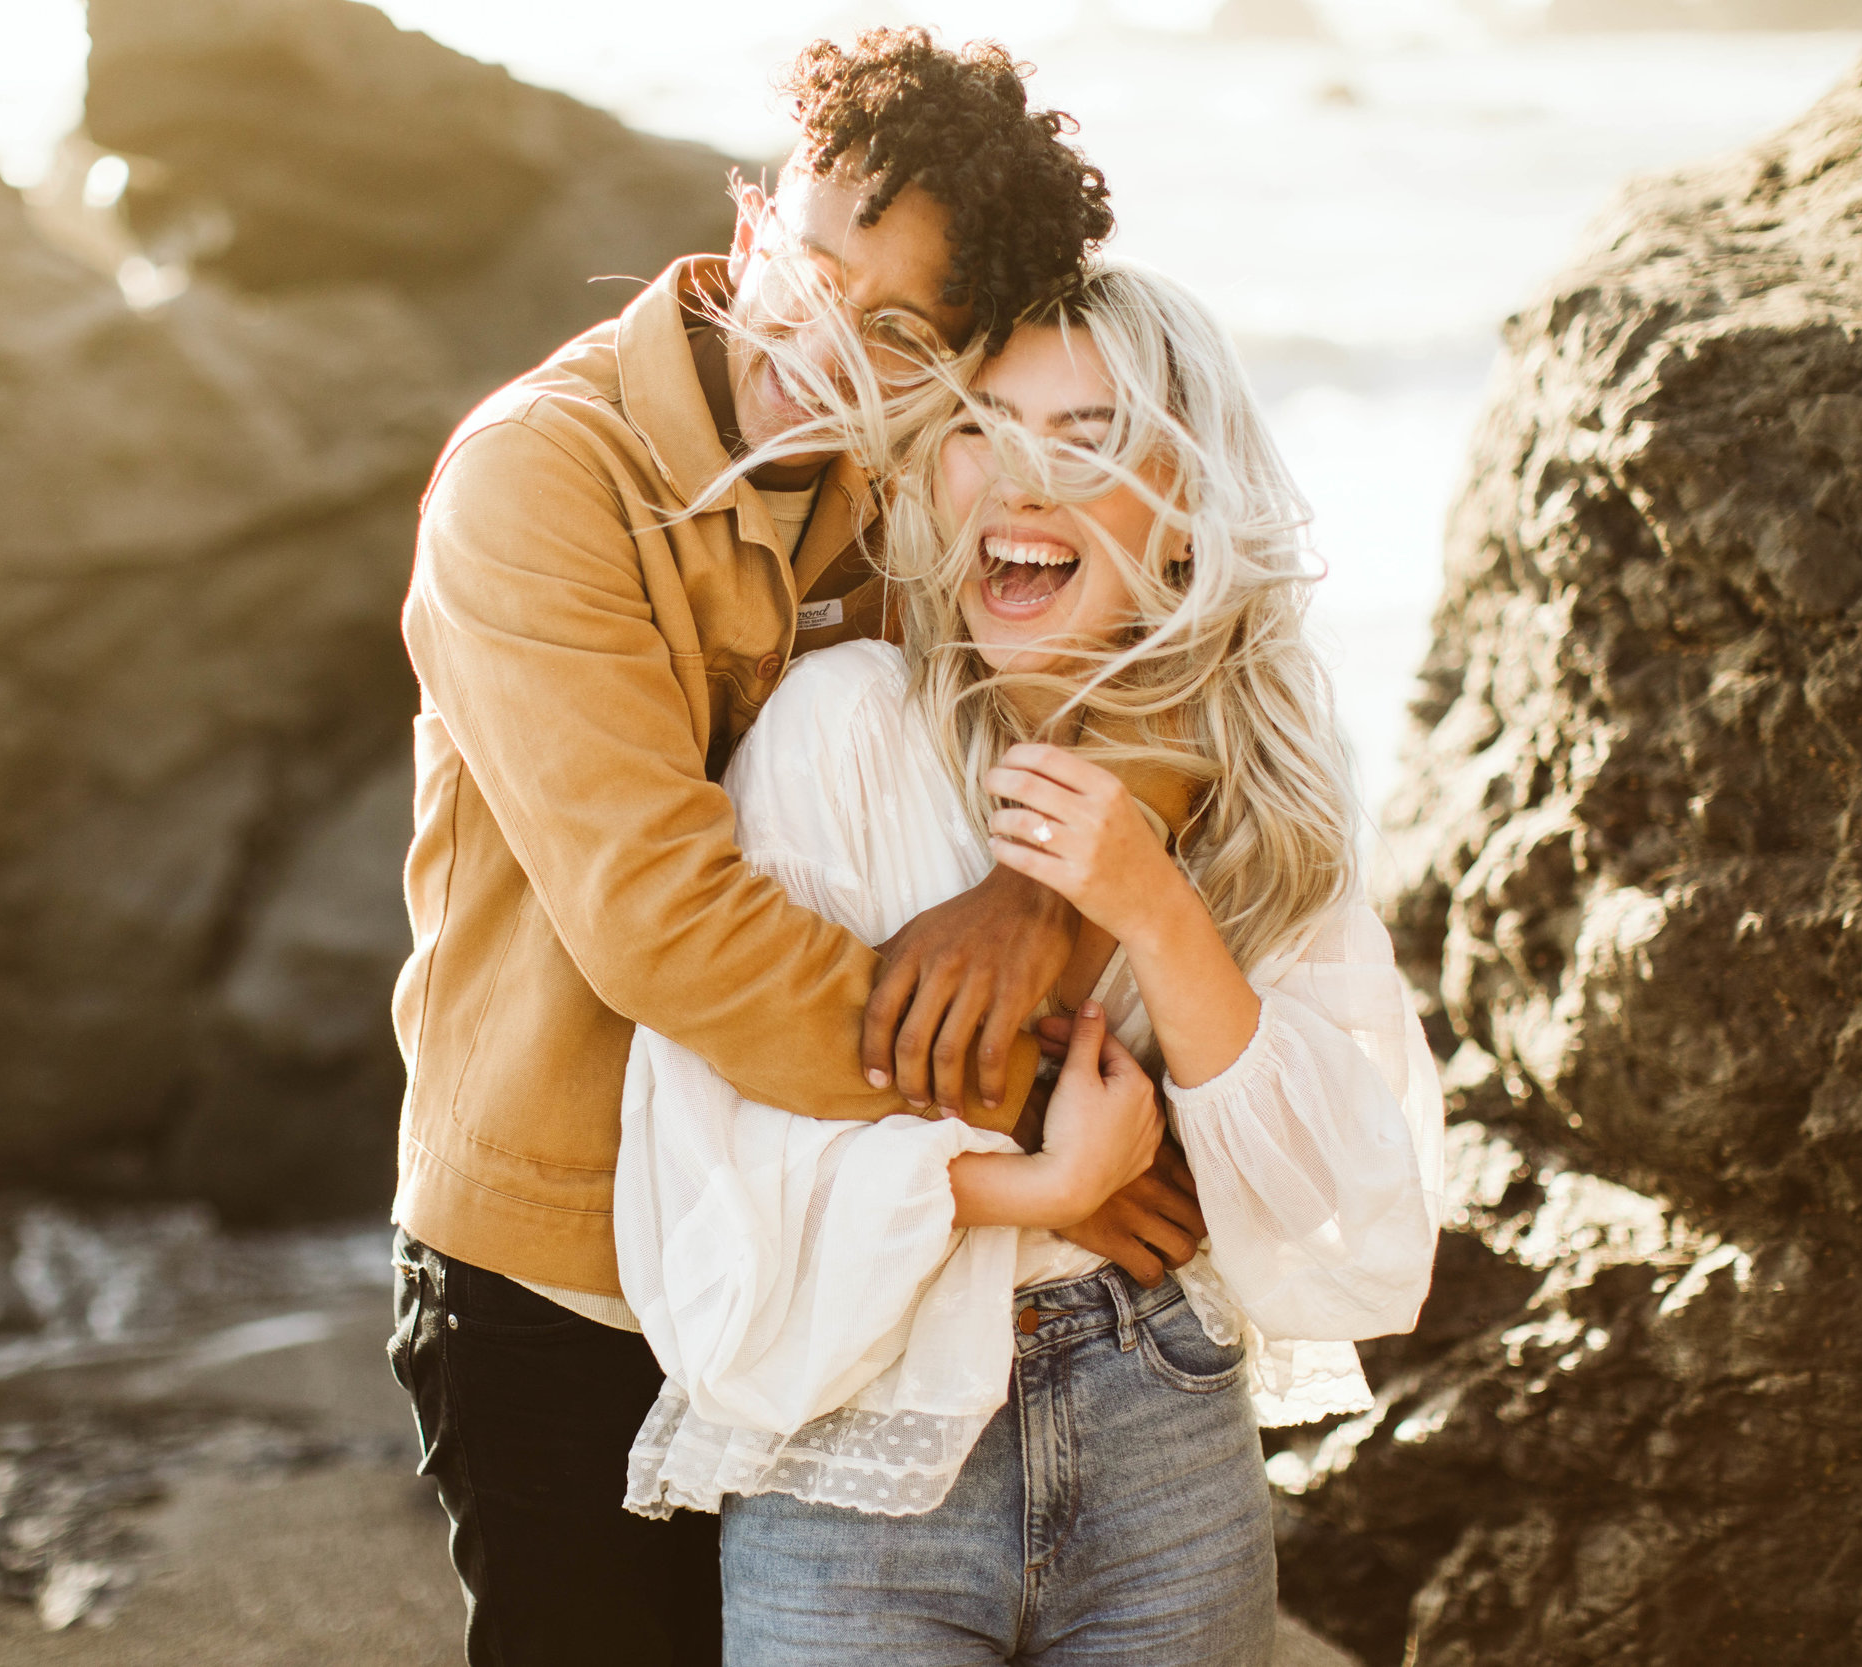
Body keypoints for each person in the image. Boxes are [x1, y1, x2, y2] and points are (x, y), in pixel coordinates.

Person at [388, 30, 1206, 1667]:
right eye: (817, 267)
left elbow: (1156, 666)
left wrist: (1031, 901)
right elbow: (667, 925)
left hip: (822, 1229)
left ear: (958, 361)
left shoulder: (915, 480)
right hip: (568, 1269)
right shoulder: (538, 481)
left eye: (900, 331)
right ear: (757, 219)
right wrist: (1036, 1108)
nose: (828, 344)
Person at [615, 263, 1447, 1664]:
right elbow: (716, 1194)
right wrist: (1050, 1184)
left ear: (1185, 515)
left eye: (1090, 439)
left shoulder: (1256, 787)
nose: (1020, 480)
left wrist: (1152, 906)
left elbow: (1342, 1230)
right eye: (978, 426)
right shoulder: (842, 733)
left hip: (1164, 1430)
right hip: (859, 1457)